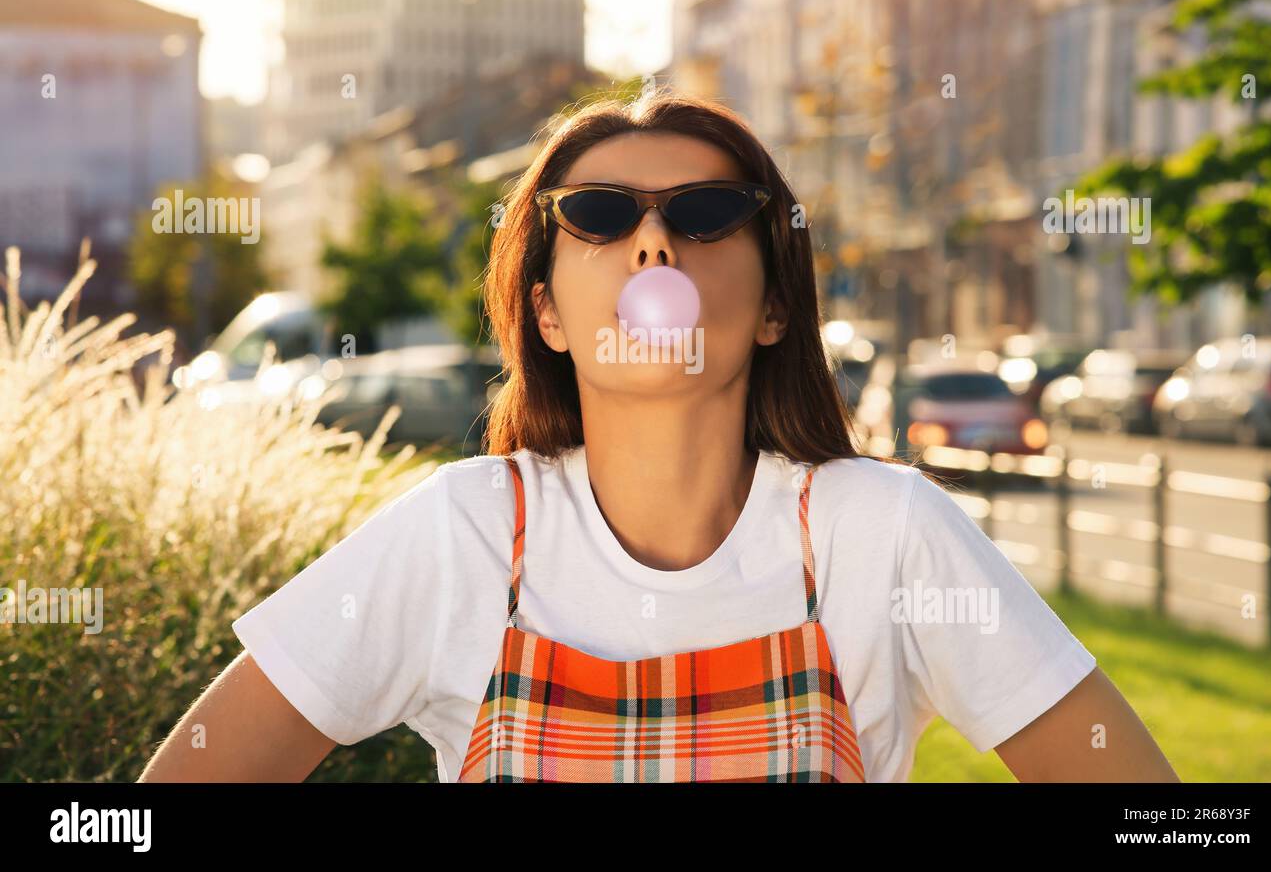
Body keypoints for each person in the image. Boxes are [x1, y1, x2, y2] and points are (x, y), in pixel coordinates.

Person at [139, 89, 1178, 782]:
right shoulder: (459, 534)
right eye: (595, 212)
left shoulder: (884, 532)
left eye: (708, 209)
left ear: (775, 305)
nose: (652, 241)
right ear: (545, 312)